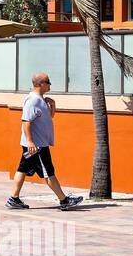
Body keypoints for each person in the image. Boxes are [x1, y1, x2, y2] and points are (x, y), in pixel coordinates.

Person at [6, 72, 82, 211]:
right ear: (40, 84)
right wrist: (30, 142)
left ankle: (14, 199)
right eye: (48, 81)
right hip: (37, 146)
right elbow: (26, 121)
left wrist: (52, 105)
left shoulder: (41, 99)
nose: (50, 84)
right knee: (48, 172)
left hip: (37, 145)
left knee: (22, 169)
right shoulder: (33, 100)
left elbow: (49, 117)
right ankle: (64, 200)